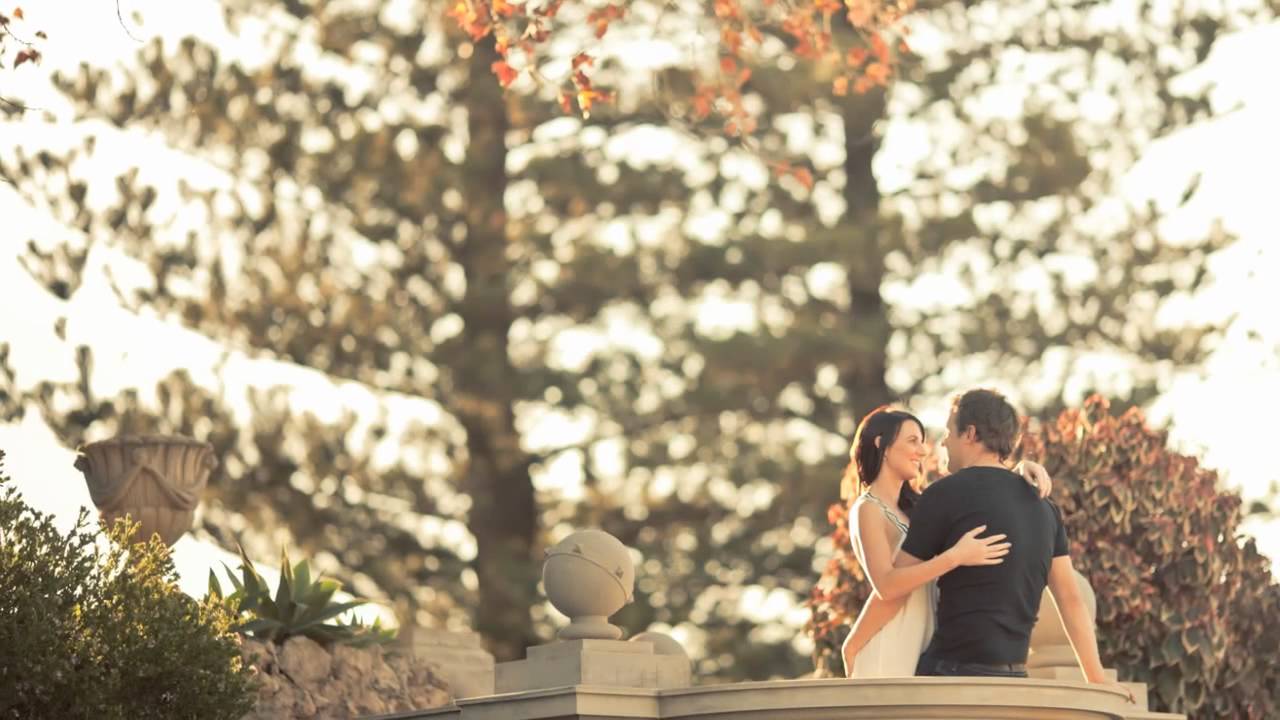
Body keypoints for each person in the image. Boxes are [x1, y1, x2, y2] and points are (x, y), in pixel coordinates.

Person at [893, 389, 1133, 701]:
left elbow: (896, 581)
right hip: (1014, 677)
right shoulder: (1045, 507)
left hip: (950, 673)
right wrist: (1096, 678)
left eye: (950, 431)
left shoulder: (943, 495)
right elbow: (1071, 600)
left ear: (970, 433)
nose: (943, 442)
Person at [839, 405, 1052, 678]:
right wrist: (955, 557)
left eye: (923, 441)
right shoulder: (867, 509)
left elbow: (978, 480)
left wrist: (1019, 470)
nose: (924, 451)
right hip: (890, 638)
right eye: (912, 441)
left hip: (924, 638)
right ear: (882, 444)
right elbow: (886, 586)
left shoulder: (918, 505)